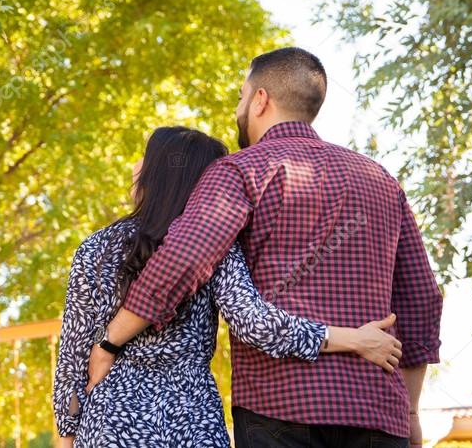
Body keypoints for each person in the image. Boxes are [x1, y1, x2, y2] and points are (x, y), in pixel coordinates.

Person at [87, 47, 443, 448]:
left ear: (260, 100)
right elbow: (421, 300)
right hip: (377, 410)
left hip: (280, 408)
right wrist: (410, 411)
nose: (238, 108)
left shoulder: (239, 170)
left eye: (241, 96)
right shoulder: (379, 179)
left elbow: (185, 258)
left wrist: (109, 341)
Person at [55, 125, 404, 447]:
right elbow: (253, 322)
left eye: (145, 157)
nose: (136, 166)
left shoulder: (96, 249)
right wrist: (352, 339)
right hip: (194, 423)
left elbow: (72, 360)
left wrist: (66, 439)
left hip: (112, 423)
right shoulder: (217, 246)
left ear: (158, 174)